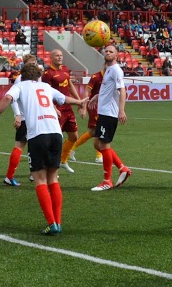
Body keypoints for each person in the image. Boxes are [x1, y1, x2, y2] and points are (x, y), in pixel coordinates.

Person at [0, 59, 73, 234]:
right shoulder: (46, 87)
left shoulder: (20, 85)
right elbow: (64, 99)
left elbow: (7, 99)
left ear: (22, 75)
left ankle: (52, 224)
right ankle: (58, 221)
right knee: (53, 179)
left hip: (38, 134)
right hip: (56, 133)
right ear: (39, 75)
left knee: (40, 179)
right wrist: (81, 102)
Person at [89, 43, 132, 192]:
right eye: (106, 51)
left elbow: (122, 90)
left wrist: (121, 110)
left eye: (110, 51)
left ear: (116, 55)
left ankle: (107, 180)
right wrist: (96, 96)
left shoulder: (116, 70)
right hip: (104, 112)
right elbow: (107, 88)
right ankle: (122, 168)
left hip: (109, 113)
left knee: (103, 146)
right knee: (98, 144)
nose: (107, 53)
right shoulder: (108, 70)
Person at [39, 48, 84, 174]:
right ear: (51, 58)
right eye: (57, 56)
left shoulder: (65, 69)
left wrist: (79, 101)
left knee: (74, 136)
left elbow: (70, 85)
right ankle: (51, 168)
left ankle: (63, 161)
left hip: (68, 108)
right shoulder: (47, 74)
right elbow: (46, 93)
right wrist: (53, 108)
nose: (60, 57)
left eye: (61, 55)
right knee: (54, 140)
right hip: (56, 109)